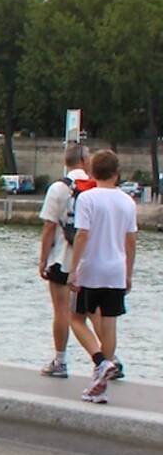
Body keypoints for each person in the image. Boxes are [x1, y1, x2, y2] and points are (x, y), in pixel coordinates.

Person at [70, 150, 139, 404]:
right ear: (117, 173)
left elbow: (82, 235)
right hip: (116, 270)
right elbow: (131, 241)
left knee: (76, 318)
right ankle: (102, 383)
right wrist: (129, 273)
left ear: (91, 172)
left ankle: (100, 362)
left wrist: (73, 268)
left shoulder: (87, 199)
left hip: (90, 268)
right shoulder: (127, 202)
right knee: (109, 324)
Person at [36, 144, 93, 377]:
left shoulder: (58, 189)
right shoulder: (95, 188)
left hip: (61, 257)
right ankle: (107, 358)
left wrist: (42, 260)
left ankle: (60, 360)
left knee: (61, 310)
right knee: (92, 311)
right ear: (84, 160)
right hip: (89, 259)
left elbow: (49, 226)